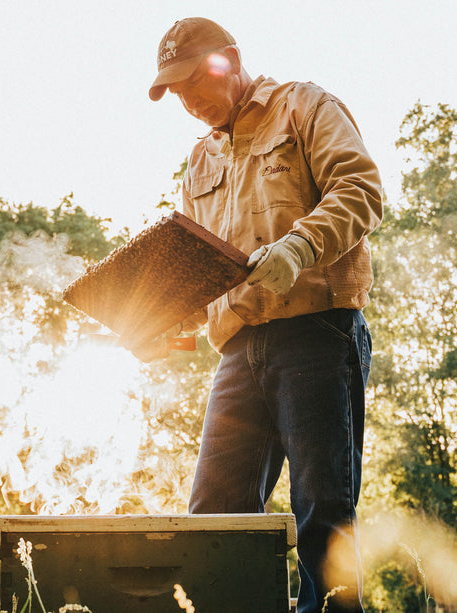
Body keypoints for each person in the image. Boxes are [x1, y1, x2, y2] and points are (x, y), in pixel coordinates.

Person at [141, 17, 383, 613]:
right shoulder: (199, 162)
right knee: (213, 520)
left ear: (227, 59)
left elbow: (361, 190)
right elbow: (200, 274)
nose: (188, 101)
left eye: (194, 83)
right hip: (236, 353)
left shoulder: (305, 107)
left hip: (316, 334)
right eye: (176, 92)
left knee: (322, 510)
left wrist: (299, 246)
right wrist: (165, 325)